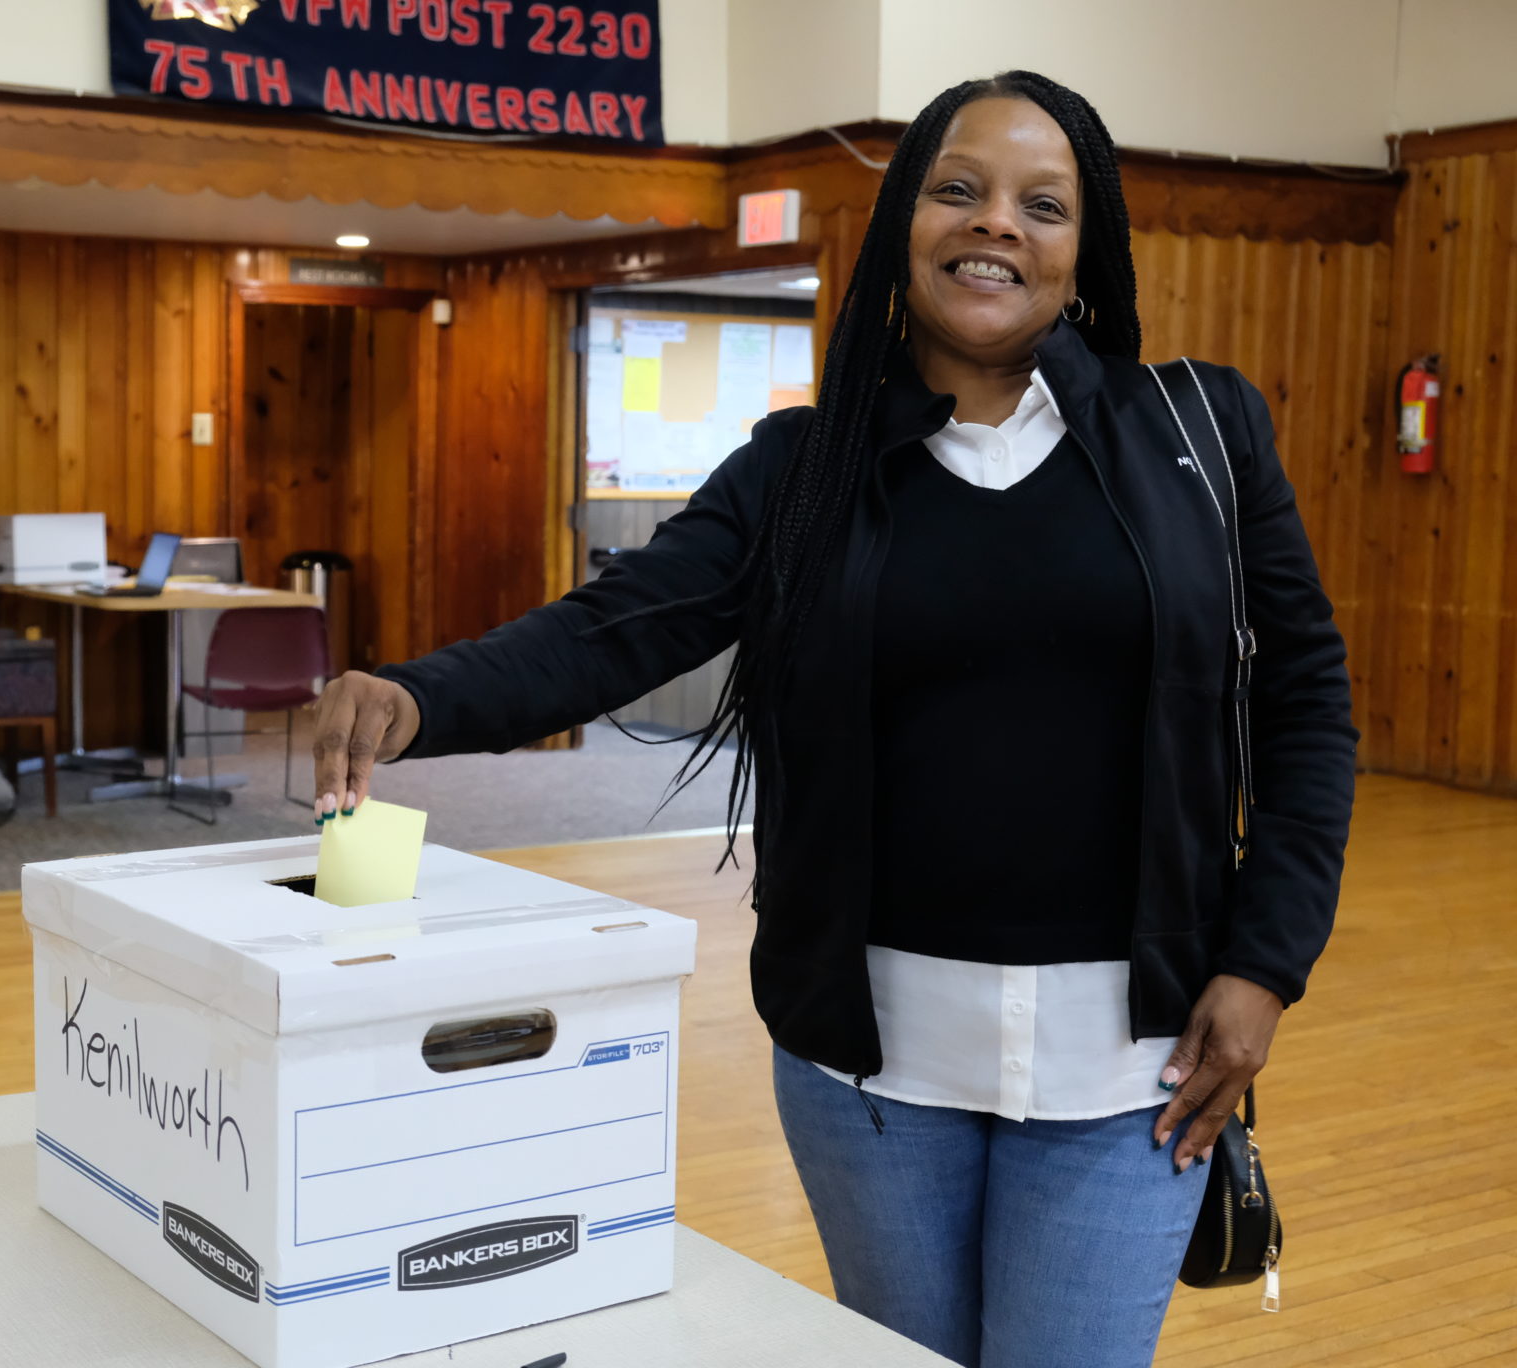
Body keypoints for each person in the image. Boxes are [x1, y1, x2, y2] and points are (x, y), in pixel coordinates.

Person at [307, 69, 1356, 1368]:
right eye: (957, 190)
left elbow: (1307, 703)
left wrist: (1264, 966)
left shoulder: (1202, 434)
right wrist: (418, 696)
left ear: (1086, 251)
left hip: (1132, 1068)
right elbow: (612, 631)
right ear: (903, 223)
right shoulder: (798, 473)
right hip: (870, 1067)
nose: (996, 226)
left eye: (1043, 204)